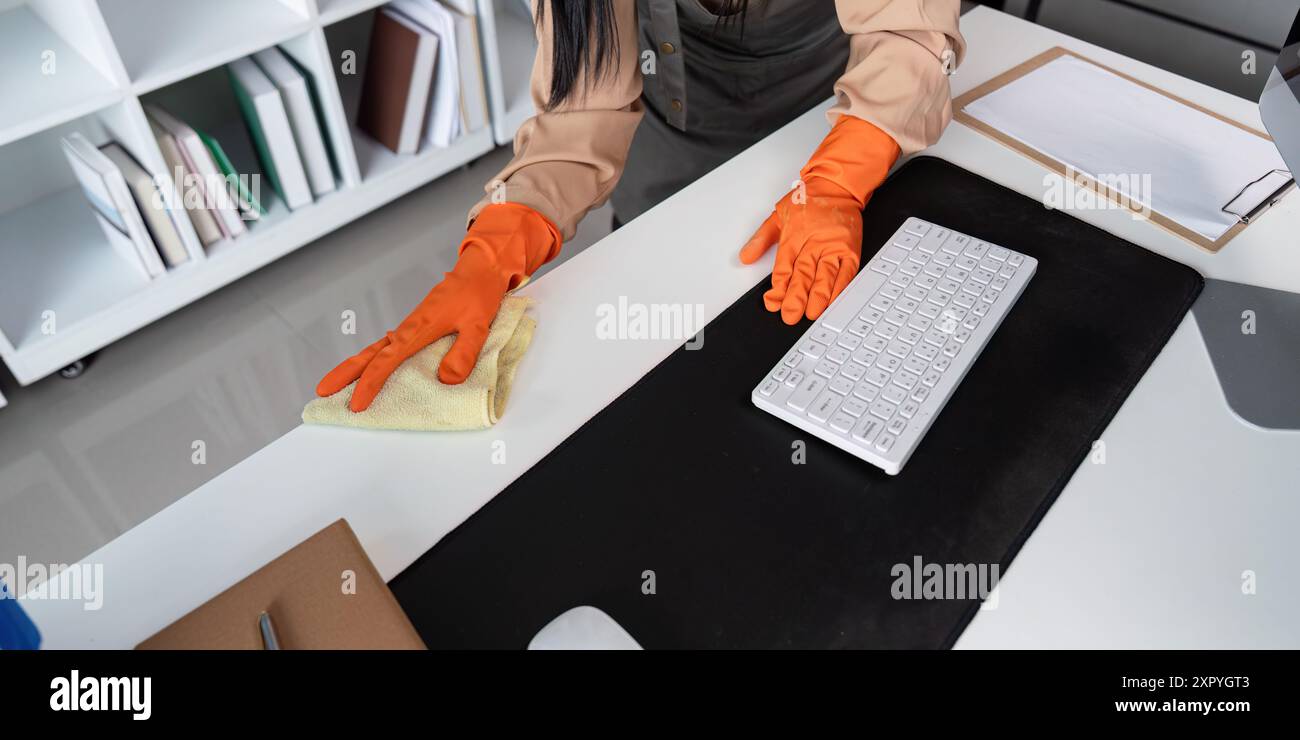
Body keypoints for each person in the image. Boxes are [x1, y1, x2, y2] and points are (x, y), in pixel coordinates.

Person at [318, 0, 966, 412]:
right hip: (657, 156)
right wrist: (496, 246)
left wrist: (834, 182)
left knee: (833, 384)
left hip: (818, 128)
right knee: (678, 394)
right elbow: (586, 103)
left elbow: (907, 34)